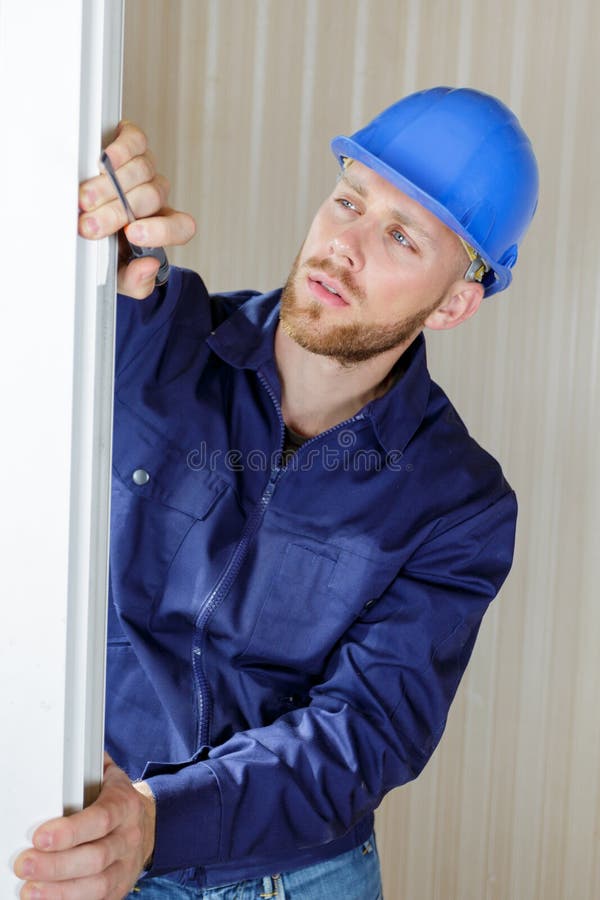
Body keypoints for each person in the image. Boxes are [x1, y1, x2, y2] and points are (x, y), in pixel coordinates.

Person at [14, 86, 538, 899]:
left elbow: (362, 732)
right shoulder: (154, 334)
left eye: (400, 236)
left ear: (456, 300)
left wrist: (155, 818)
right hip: (74, 840)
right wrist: (60, 212)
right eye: (347, 203)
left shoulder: (461, 505)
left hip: (291, 879)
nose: (344, 247)